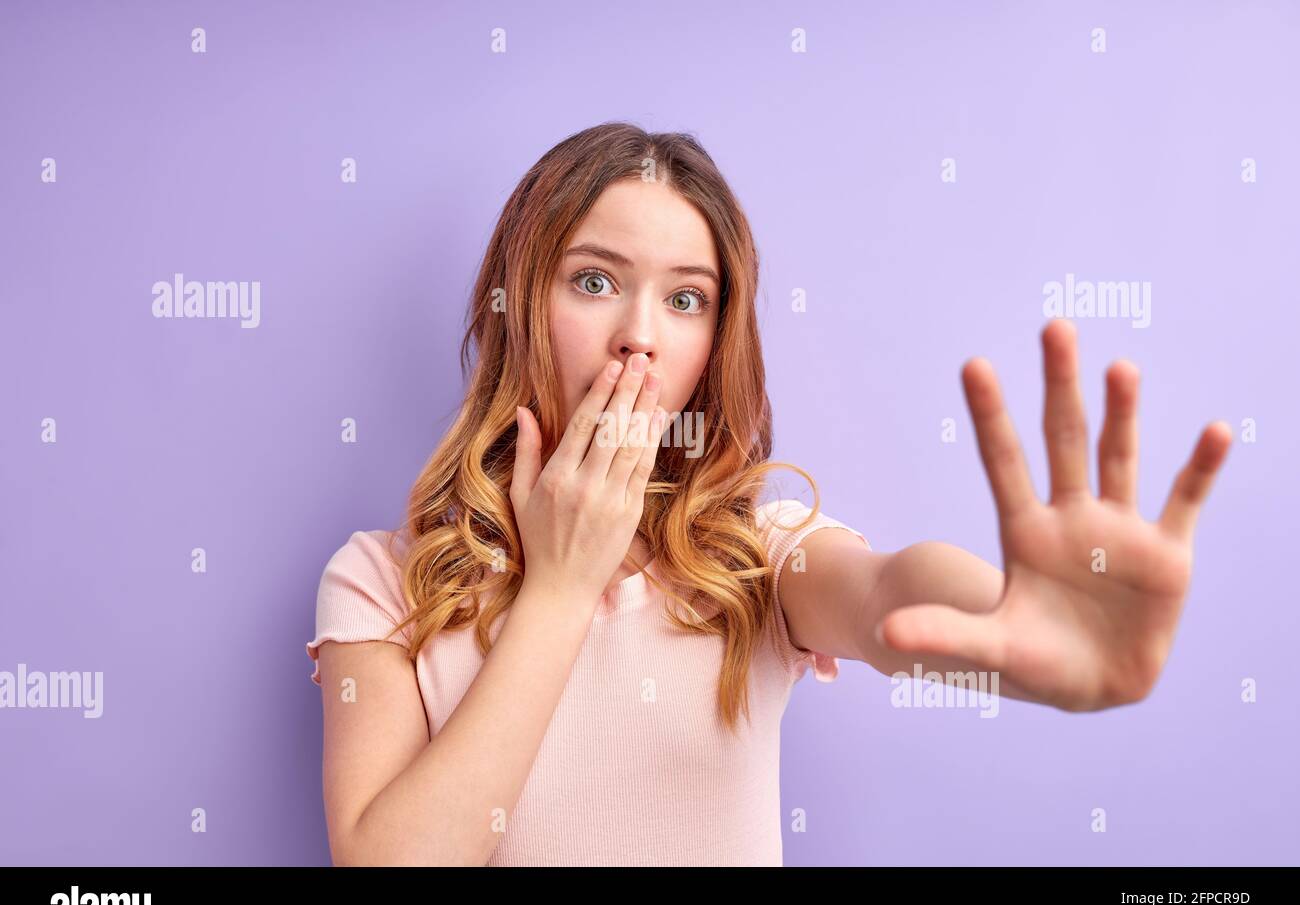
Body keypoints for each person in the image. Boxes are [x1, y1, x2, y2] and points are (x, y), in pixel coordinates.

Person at [305, 122, 1231, 866]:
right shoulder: (382, 583)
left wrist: (1014, 617)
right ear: (517, 304)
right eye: (594, 281)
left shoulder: (752, 556)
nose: (640, 336)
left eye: (686, 299)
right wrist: (557, 588)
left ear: (717, 340)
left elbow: (880, 596)